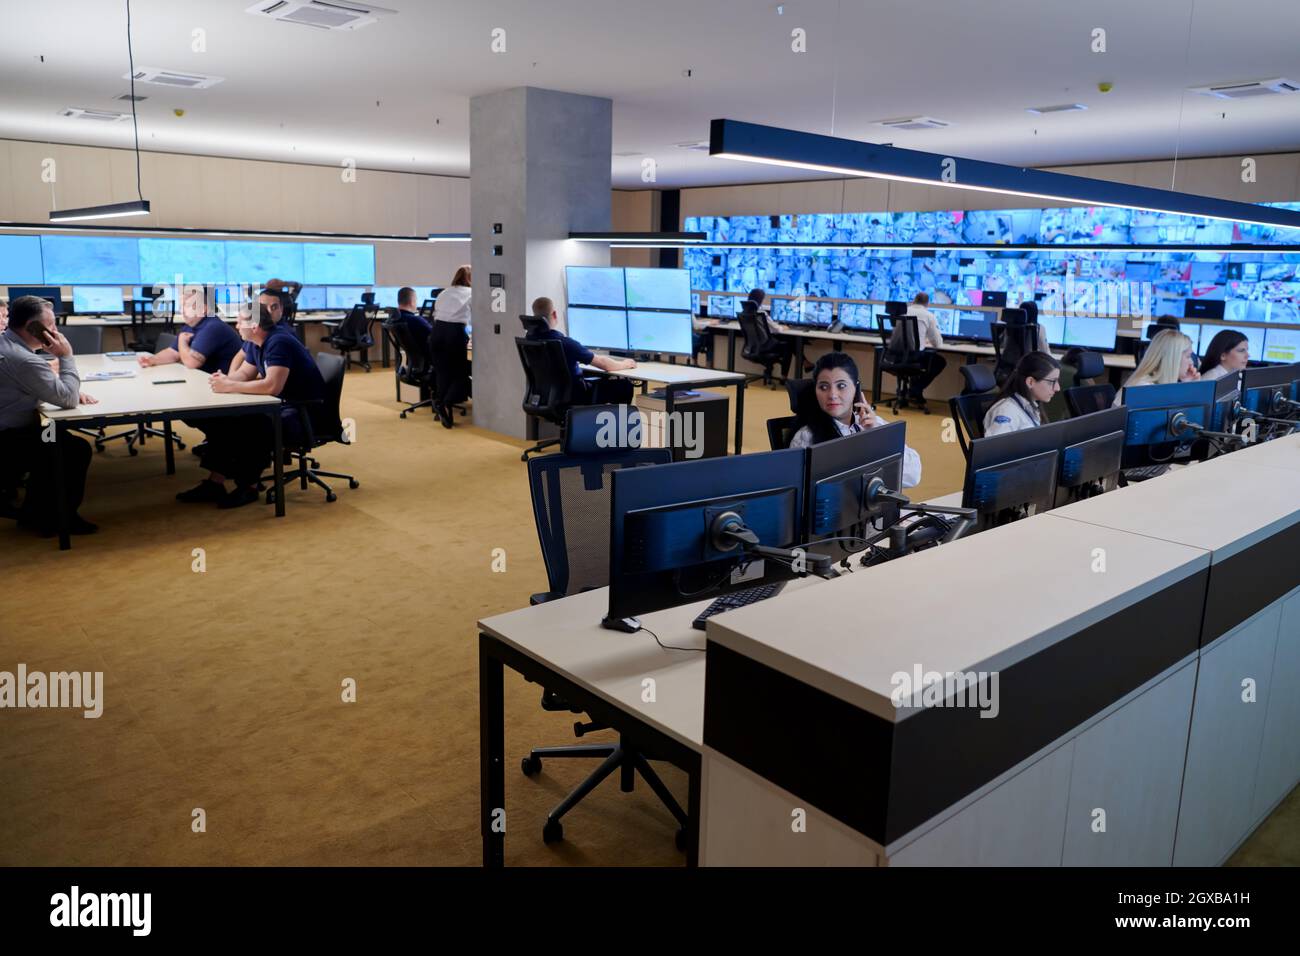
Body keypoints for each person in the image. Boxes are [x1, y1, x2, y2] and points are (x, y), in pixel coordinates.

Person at [175, 289, 326, 509]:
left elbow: (273, 385)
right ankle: (215, 483)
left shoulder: (279, 342)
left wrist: (232, 386)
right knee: (227, 420)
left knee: (249, 425)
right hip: (282, 406)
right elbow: (244, 373)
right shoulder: (256, 342)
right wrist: (225, 380)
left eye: (239, 322)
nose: (236, 327)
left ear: (254, 326)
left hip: (304, 414)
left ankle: (249, 487)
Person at [0, 295, 99, 535]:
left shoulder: (7, 345)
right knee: (73, 448)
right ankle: (56, 519)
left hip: (12, 429)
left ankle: (36, 511)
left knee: (56, 435)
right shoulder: (24, 360)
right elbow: (67, 399)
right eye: (51, 325)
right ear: (32, 328)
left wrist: (58, 387)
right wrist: (65, 356)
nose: (56, 330)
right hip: (8, 440)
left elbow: (28, 385)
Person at [788, 352, 921, 487]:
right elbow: (800, 492)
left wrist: (877, 435)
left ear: (856, 388)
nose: (832, 395)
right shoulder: (806, 437)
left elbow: (912, 476)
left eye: (841, 386)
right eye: (823, 387)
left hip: (873, 504)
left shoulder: (873, 424)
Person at [527, 296, 636, 404]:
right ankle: (616, 421)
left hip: (545, 398)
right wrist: (624, 364)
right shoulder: (564, 343)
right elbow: (604, 364)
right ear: (554, 314)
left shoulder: (531, 340)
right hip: (576, 397)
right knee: (625, 386)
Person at [137, 286, 241, 374]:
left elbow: (192, 363)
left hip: (225, 385)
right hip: (205, 380)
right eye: (181, 306)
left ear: (203, 309)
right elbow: (173, 352)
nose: (181, 310)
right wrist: (152, 360)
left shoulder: (213, 327)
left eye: (187, 306)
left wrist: (182, 342)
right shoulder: (191, 325)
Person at [430, 266, 473, 427]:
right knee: (460, 373)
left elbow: (437, 313)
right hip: (454, 333)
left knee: (442, 373)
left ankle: (443, 407)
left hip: (437, 333)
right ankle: (444, 403)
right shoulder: (471, 293)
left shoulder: (444, 292)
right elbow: (479, 316)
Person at [983, 352, 1062, 436]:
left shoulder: (1031, 406)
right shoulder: (1007, 411)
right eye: (1052, 382)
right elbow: (995, 447)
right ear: (1030, 382)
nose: (1057, 388)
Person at [1114, 328, 1198, 406]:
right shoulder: (1145, 390)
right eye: (1188, 356)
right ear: (1173, 359)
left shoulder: (1157, 385)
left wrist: (1187, 385)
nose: (1191, 362)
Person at [897, 292, 948, 402]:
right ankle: (915, 389)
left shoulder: (903, 312)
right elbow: (938, 344)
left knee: (922, 358)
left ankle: (913, 391)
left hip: (896, 357)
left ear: (914, 300)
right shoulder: (928, 315)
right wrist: (926, 341)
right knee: (940, 362)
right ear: (927, 303)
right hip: (914, 357)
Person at [740, 289, 797, 379]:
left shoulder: (744, 313)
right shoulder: (761, 313)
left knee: (790, 341)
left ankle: (804, 364)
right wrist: (785, 327)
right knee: (789, 345)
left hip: (752, 348)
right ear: (760, 300)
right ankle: (784, 377)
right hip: (765, 347)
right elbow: (777, 329)